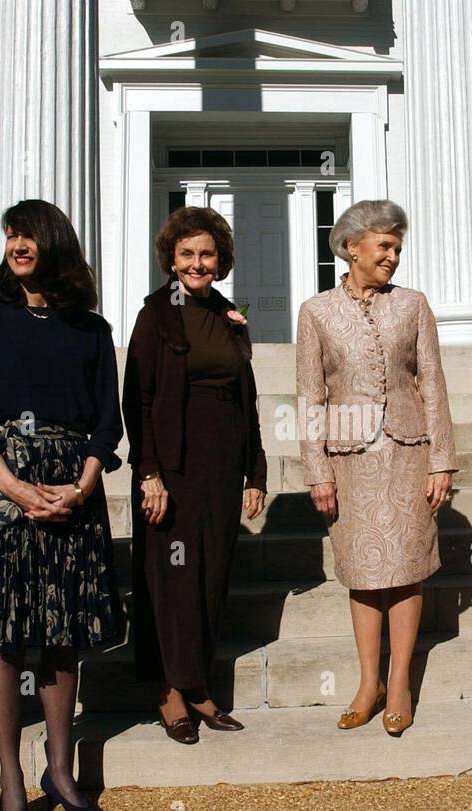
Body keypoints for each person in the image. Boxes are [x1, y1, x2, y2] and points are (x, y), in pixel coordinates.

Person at [0, 199, 124, 811]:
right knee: (5, 640)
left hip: (72, 488)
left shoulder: (90, 329)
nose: (18, 244)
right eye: (10, 235)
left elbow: (107, 422)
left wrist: (80, 487)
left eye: (28, 234)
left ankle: (59, 769)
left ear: (54, 242)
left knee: (62, 635)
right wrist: (15, 486)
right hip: (3, 490)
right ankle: (9, 779)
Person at [295, 199, 457, 736]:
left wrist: (442, 461)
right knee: (363, 575)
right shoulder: (316, 311)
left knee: (407, 568)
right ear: (351, 247)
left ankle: (401, 680)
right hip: (350, 462)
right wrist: (316, 469)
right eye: (384, 246)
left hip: (409, 453)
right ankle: (369, 683)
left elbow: (432, 382)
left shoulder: (412, 305)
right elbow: (310, 395)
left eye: (396, 247)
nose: (392, 256)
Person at [123, 206, 267, 745]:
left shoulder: (232, 316)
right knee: (171, 579)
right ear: (172, 258)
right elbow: (139, 399)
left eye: (206, 253)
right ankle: (170, 691)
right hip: (174, 468)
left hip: (223, 465)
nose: (197, 262)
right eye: (187, 254)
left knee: (210, 577)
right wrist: (150, 473)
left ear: (220, 259)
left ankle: (199, 683)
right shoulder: (155, 315)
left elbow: (246, 398)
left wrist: (255, 472)